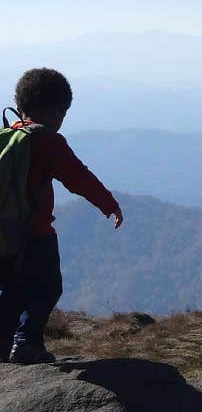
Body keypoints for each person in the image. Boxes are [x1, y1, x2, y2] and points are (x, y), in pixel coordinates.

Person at [0, 68, 123, 364]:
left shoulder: (8, 134)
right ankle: (26, 343)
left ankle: (3, 344)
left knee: (13, 289)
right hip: (36, 234)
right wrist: (109, 204)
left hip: (4, 234)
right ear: (55, 111)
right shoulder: (46, 141)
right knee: (48, 287)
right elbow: (78, 177)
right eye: (63, 112)